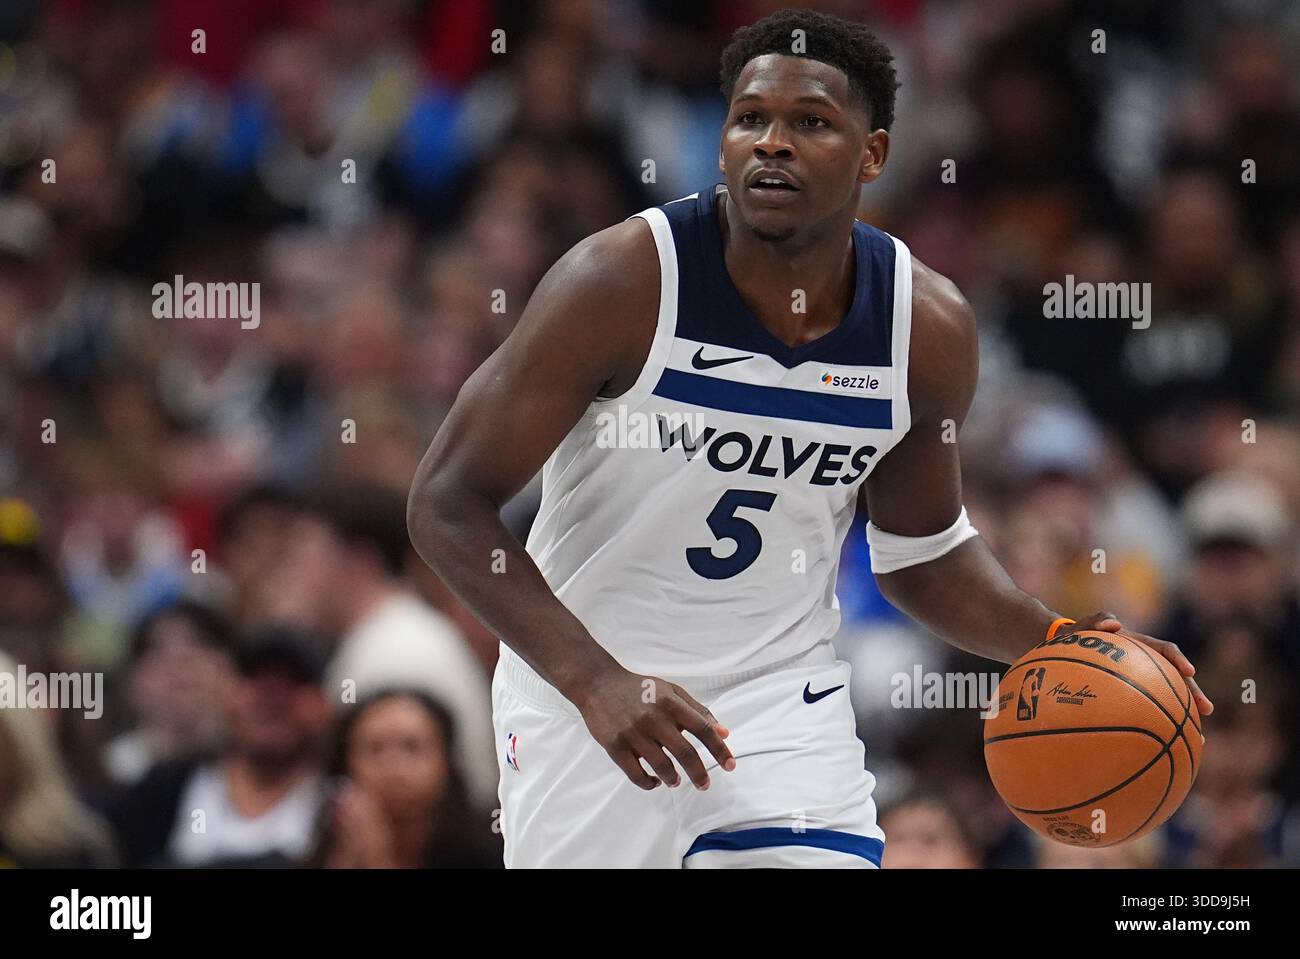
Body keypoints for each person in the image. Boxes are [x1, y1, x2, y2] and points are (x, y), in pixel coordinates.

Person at [407, 8, 1212, 868]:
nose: (771, 144)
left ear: (873, 155)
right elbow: (446, 502)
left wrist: (1057, 641)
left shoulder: (921, 327)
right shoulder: (624, 280)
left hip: (779, 702)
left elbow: (922, 553)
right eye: (750, 119)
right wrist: (594, 678)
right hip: (587, 700)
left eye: (811, 123)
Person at [109, 627, 330, 867]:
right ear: (225, 692)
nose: (270, 699)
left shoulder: (339, 804)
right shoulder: (161, 793)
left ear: (322, 703)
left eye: (292, 683)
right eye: (255, 680)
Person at [310, 689, 501, 869]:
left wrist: (377, 861)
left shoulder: (494, 851)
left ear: (447, 762)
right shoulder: (312, 843)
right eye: (376, 749)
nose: (394, 767)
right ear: (346, 764)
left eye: (412, 747)